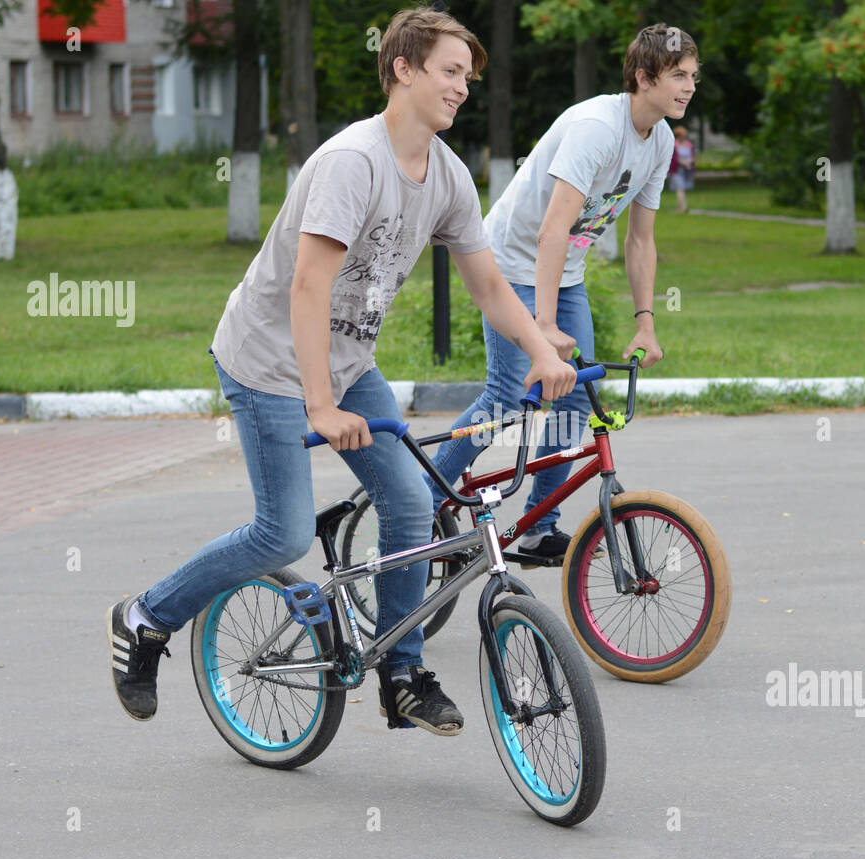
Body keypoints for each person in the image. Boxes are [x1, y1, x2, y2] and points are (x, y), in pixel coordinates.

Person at [104, 6, 575, 737]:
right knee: (282, 532)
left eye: (468, 78)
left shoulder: (447, 176)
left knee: (413, 508)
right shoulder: (353, 162)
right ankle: (144, 618)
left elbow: (488, 285)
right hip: (267, 361)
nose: (462, 88)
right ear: (403, 69)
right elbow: (307, 287)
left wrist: (543, 350)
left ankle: (403, 675)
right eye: (450, 72)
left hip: (348, 360)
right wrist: (319, 406)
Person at [429, 23, 698, 559]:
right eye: (678, 76)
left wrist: (646, 321)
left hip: (562, 273)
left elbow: (640, 240)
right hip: (508, 264)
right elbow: (553, 229)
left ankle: (537, 526)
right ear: (643, 78)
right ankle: (420, 497)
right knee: (509, 397)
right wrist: (544, 327)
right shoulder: (598, 127)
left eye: (694, 76)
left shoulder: (660, 139)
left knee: (577, 399)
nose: (689, 87)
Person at [669, 124, 696, 213]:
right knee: (680, 188)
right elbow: (674, 158)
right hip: (677, 170)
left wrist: (689, 162)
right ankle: (684, 207)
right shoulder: (674, 145)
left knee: (683, 189)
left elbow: (693, 156)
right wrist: (684, 163)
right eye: (682, 135)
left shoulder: (689, 145)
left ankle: (680, 207)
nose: (683, 137)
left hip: (687, 170)